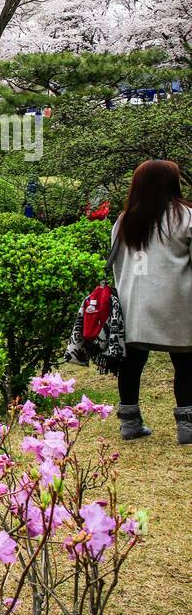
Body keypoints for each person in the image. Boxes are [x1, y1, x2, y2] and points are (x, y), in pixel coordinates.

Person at [111, 159, 192, 444]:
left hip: (135, 303)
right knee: (185, 365)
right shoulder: (186, 216)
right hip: (179, 304)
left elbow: (118, 263)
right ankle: (187, 427)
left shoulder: (125, 219)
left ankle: (130, 423)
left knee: (131, 364)